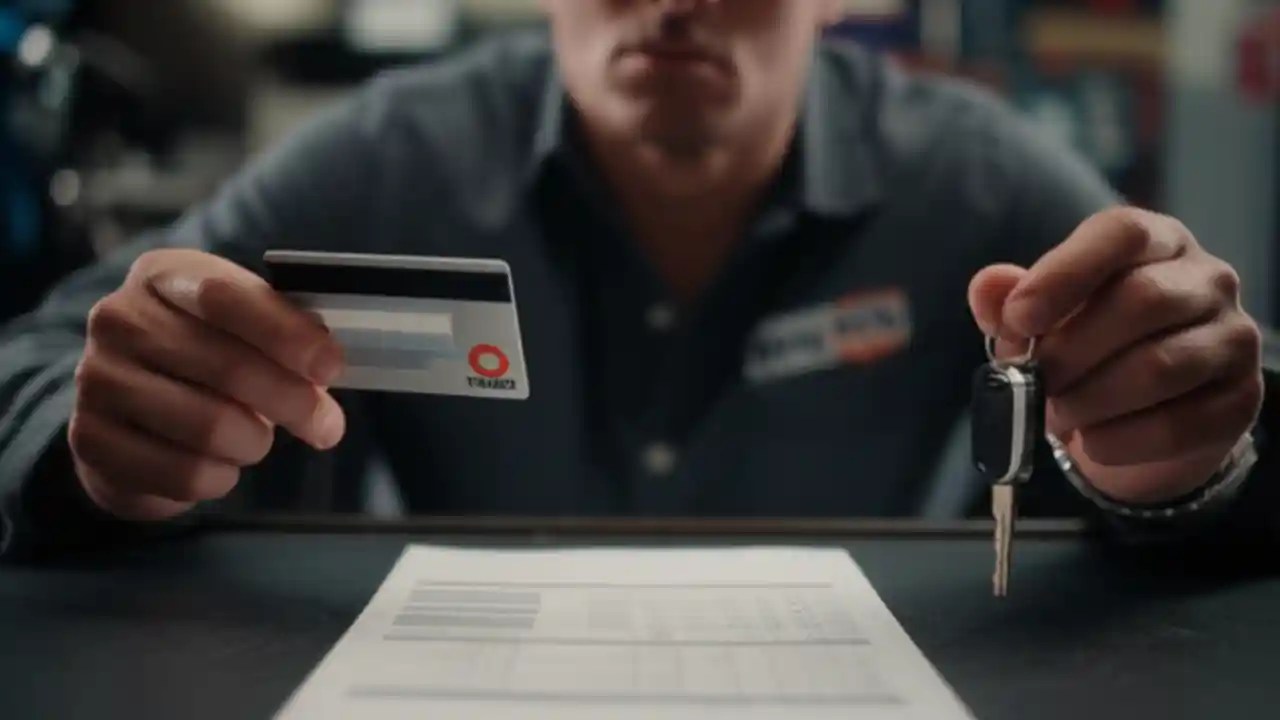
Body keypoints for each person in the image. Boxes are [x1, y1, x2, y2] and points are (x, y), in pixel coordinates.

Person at [0, 0, 1275, 560]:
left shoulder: (973, 176)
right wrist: (97, 438)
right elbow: (47, 357)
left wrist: (1195, 455)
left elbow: (1226, 406)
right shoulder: (395, 152)